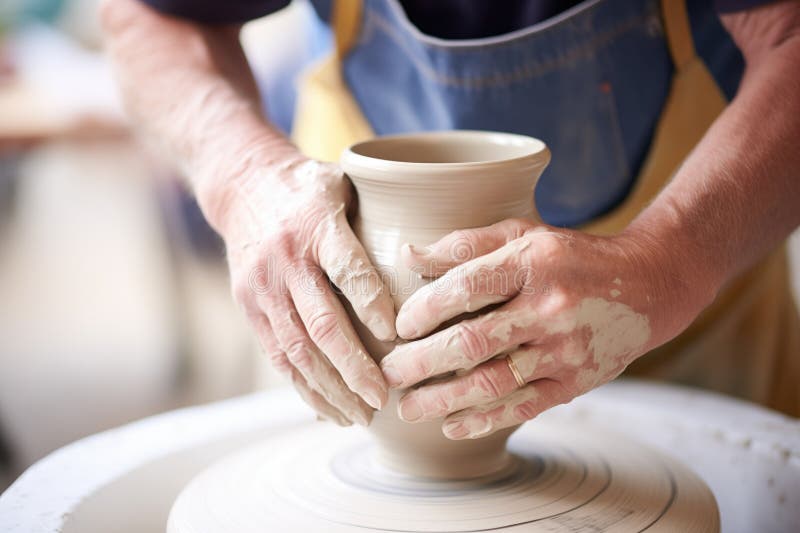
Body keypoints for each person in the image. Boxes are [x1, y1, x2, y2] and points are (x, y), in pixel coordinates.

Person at [101, 0, 800, 438]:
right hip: (344, 374)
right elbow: (150, 16)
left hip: (689, 337)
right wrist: (244, 175)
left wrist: (667, 263)